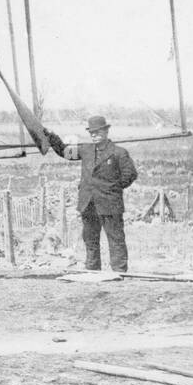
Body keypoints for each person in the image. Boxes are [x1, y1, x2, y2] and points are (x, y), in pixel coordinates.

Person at [45, 114, 138, 272]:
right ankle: (92, 270)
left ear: (106, 131)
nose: (94, 135)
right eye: (92, 132)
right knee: (90, 239)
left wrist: (112, 188)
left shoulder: (119, 153)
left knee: (115, 239)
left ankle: (120, 272)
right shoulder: (85, 150)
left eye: (98, 131)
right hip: (88, 203)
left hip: (110, 203)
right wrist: (50, 136)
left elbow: (130, 174)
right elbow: (64, 152)